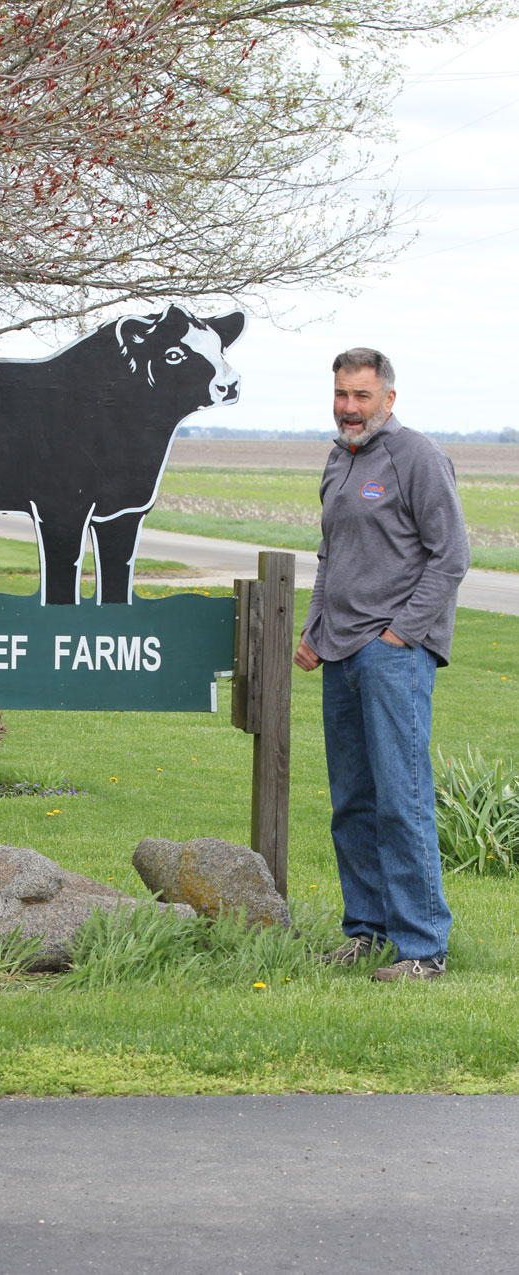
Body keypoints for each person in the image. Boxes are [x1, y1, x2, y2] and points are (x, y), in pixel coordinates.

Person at [294, 348, 470, 981]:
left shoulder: (416, 457)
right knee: (353, 802)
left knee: (402, 797)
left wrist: (401, 634)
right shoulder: (340, 459)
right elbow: (328, 555)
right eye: (342, 394)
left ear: (388, 399)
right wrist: (314, 627)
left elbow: (450, 556)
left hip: (391, 654)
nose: (349, 408)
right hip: (338, 651)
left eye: (362, 396)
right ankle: (366, 932)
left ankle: (424, 949)